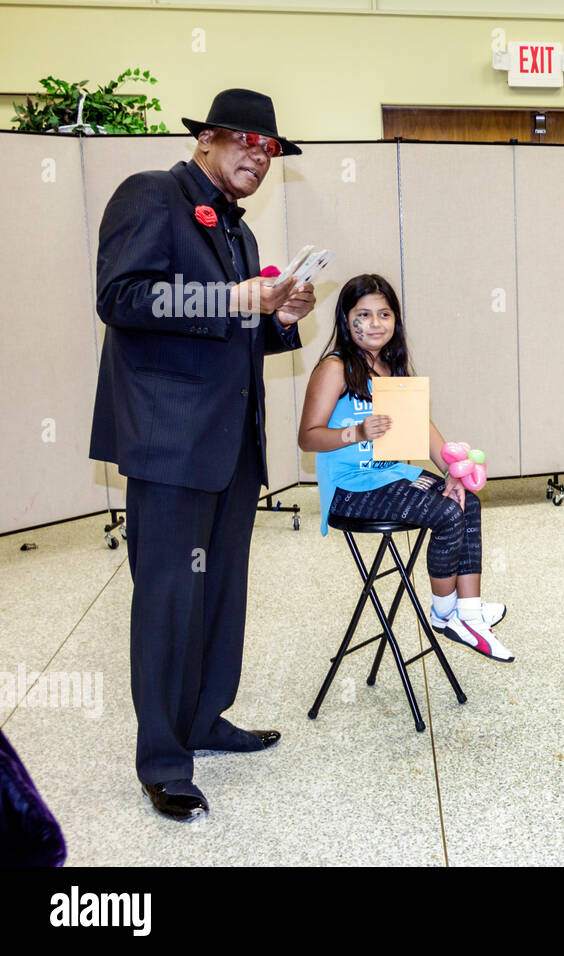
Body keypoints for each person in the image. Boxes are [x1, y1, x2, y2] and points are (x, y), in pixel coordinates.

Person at [89, 89, 316, 821]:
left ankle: (204, 717)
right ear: (207, 141)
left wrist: (278, 316)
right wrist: (232, 302)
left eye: (270, 149)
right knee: (167, 601)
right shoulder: (152, 196)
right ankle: (163, 759)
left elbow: (240, 331)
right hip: (169, 442)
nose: (259, 156)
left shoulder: (241, 236)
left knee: (219, 595)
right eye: (246, 141)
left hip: (232, 446)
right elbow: (123, 298)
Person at [299, 274, 513, 664]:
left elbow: (422, 428)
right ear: (347, 321)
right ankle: (445, 613)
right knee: (446, 515)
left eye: (385, 313)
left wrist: (451, 471)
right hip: (350, 488)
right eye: (363, 314)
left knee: (465, 499)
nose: (375, 322)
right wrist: (356, 431)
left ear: (396, 320)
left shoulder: (391, 366)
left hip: (390, 475)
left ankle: (469, 611)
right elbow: (307, 437)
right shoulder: (335, 368)